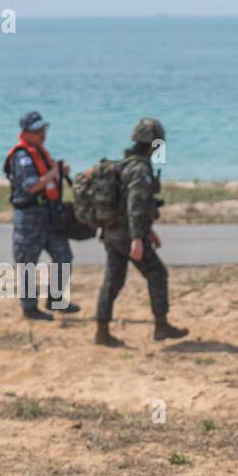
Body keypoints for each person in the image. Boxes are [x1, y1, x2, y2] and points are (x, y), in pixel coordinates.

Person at [94, 117, 187, 346]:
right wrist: (137, 238)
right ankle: (161, 326)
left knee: (113, 281)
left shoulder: (123, 165)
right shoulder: (140, 169)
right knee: (157, 273)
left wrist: (149, 232)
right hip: (127, 235)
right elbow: (135, 205)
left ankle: (102, 331)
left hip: (112, 232)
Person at [6, 111, 79, 321]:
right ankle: (29, 308)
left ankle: (56, 298)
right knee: (28, 262)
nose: (42, 134)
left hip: (49, 215)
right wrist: (55, 172)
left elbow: (47, 180)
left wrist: (59, 172)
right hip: (29, 218)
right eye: (37, 130)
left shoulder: (40, 152)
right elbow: (31, 186)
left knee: (63, 256)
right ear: (26, 133)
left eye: (43, 129)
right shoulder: (22, 157)